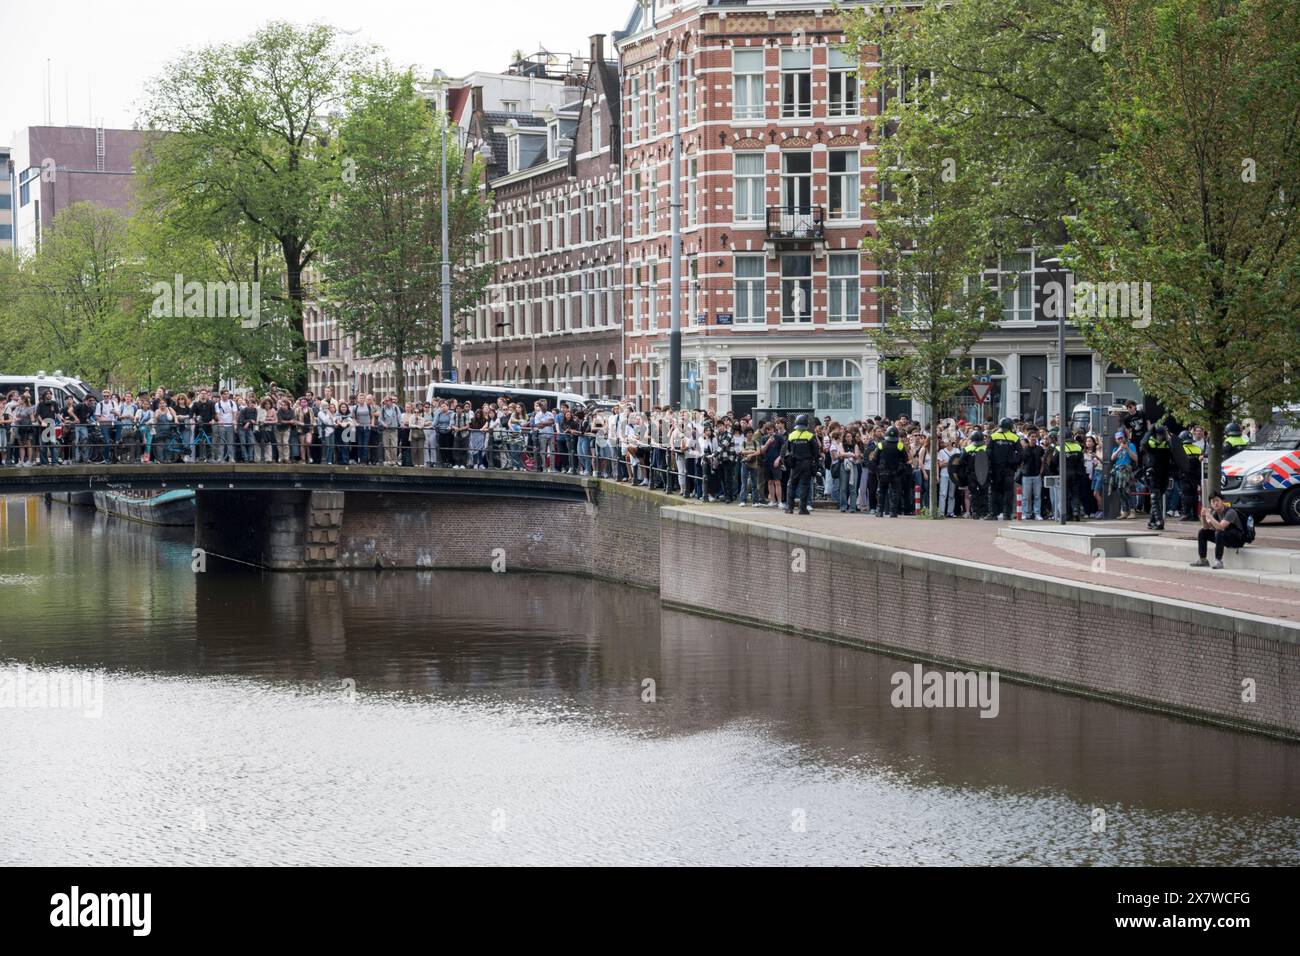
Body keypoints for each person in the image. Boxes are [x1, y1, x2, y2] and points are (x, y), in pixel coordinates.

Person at [1191, 494, 1247, 569]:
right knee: (1202, 532)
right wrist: (1203, 516)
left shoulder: (1230, 512)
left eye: (1217, 500)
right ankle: (1203, 559)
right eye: (1213, 502)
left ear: (1222, 501)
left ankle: (1218, 561)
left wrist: (1209, 515)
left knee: (1219, 532)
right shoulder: (1215, 513)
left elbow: (1220, 527)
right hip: (1225, 537)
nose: (1215, 503)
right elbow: (1206, 527)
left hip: (1237, 539)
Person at [780, 414, 818, 515]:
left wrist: (786, 461)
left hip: (795, 464)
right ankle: (802, 509)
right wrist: (815, 463)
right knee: (804, 486)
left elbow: (785, 450)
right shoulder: (810, 436)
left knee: (792, 485)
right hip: (806, 464)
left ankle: (789, 508)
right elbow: (816, 452)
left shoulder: (791, 435)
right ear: (806, 424)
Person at [1141, 426, 1173, 530]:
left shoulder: (1168, 446)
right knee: (1155, 498)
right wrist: (1149, 431)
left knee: (1158, 498)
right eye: (1159, 434)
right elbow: (1143, 443)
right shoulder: (1151, 446)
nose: (1161, 437)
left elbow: (1177, 455)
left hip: (1164, 475)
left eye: (1162, 434)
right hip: (1153, 474)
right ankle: (1159, 521)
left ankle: (1151, 521)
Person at [875, 425, 908, 518]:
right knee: (895, 492)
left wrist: (878, 469)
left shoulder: (881, 444)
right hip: (895, 473)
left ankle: (880, 511)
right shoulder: (900, 444)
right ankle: (893, 512)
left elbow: (874, 458)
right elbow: (905, 459)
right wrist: (900, 469)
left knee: (881, 492)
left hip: (883, 473)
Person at [963, 429, 990, 519]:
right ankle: (984, 512)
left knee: (973, 494)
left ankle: (975, 512)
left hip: (972, 474)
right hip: (983, 474)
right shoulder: (986, 448)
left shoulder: (967, 449)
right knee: (984, 493)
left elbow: (961, 461)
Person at [1177, 429, 1203, 521]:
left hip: (1185, 476)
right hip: (1196, 476)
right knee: (1195, 494)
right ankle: (1195, 514)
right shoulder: (1198, 449)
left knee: (1185, 495)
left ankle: (1186, 514)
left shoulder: (1180, 449)